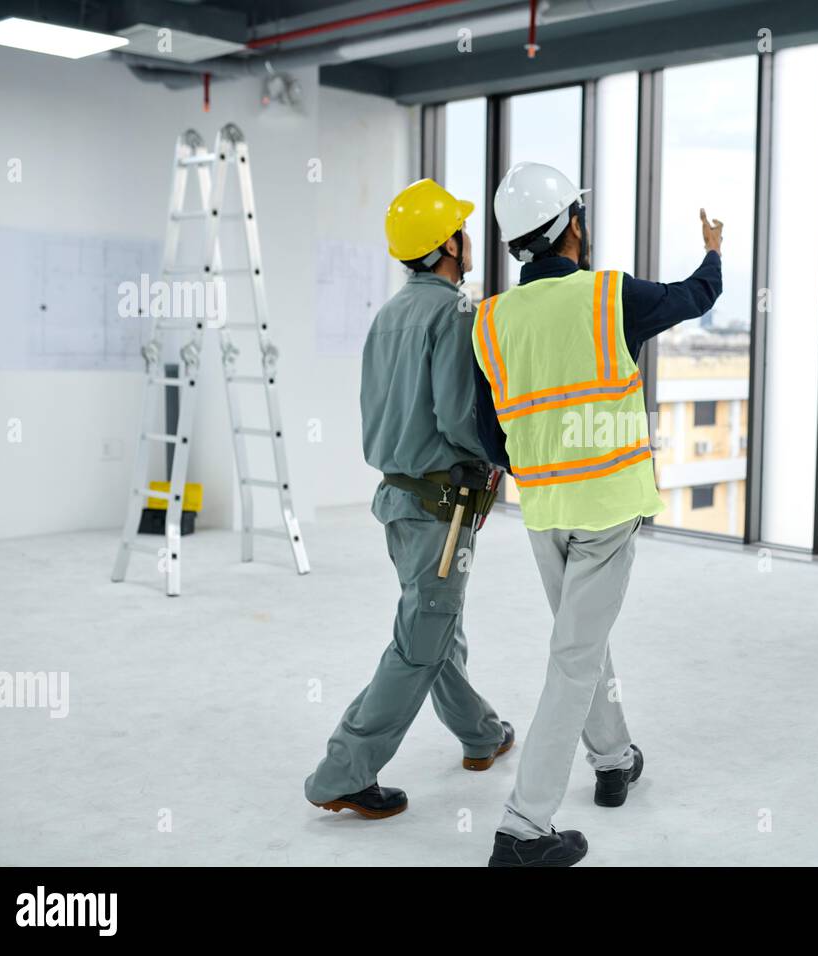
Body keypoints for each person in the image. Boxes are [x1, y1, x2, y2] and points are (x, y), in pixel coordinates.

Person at [472, 161, 723, 867]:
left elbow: (490, 432)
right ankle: (524, 825)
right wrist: (714, 249)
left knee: (582, 641)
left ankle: (613, 759)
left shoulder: (491, 320)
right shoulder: (608, 297)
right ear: (572, 227)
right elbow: (695, 296)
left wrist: (543, 462)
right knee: (574, 656)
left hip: (545, 511)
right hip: (607, 507)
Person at [303, 178, 513, 820]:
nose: (470, 237)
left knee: (434, 623)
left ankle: (480, 734)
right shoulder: (454, 312)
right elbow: (455, 415)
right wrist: (497, 455)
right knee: (421, 638)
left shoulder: (389, 313)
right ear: (448, 243)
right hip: (440, 508)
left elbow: (380, 411)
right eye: (463, 228)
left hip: (398, 501)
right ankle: (342, 770)